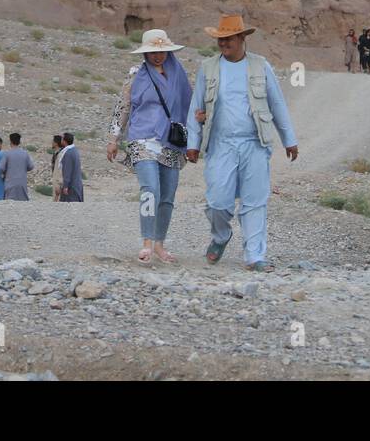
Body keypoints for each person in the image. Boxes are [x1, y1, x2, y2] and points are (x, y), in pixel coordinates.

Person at [186, 15, 298, 273]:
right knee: (217, 202)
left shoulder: (261, 66)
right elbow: (197, 107)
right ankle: (221, 236)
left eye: (228, 39)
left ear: (242, 38)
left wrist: (289, 140)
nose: (223, 43)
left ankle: (255, 256)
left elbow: (277, 103)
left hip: (254, 143)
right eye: (220, 39)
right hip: (220, 144)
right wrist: (193, 142)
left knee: (255, 202)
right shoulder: (208, 68)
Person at [106, 28, 193, 265]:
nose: (158, 56)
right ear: (145, 52)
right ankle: (146, 242)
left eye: (162, 51)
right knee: (150, 190)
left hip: (172, 142)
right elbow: (122, 106)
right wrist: (113, 138)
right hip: (141, 139)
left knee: (167, 197)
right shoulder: (136, 74)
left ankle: (159, 244)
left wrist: (195, 141)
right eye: (153, 51)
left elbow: (190, 107)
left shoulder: (179, 76)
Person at [0, 133, 33, 200]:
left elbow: (1, 167)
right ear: (19, 142)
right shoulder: (25, 153)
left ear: (11, 141)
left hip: (10, 184)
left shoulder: (7, 154)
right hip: (22, 185)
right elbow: (31, 166)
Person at [57, 131, 84, 202]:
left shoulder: (68, 153)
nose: (61, 140)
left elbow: (67, 171)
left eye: (62, 138)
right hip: (76, 184)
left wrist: (65, 186)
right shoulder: (74, 150)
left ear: (65, 141)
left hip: (71, 187)